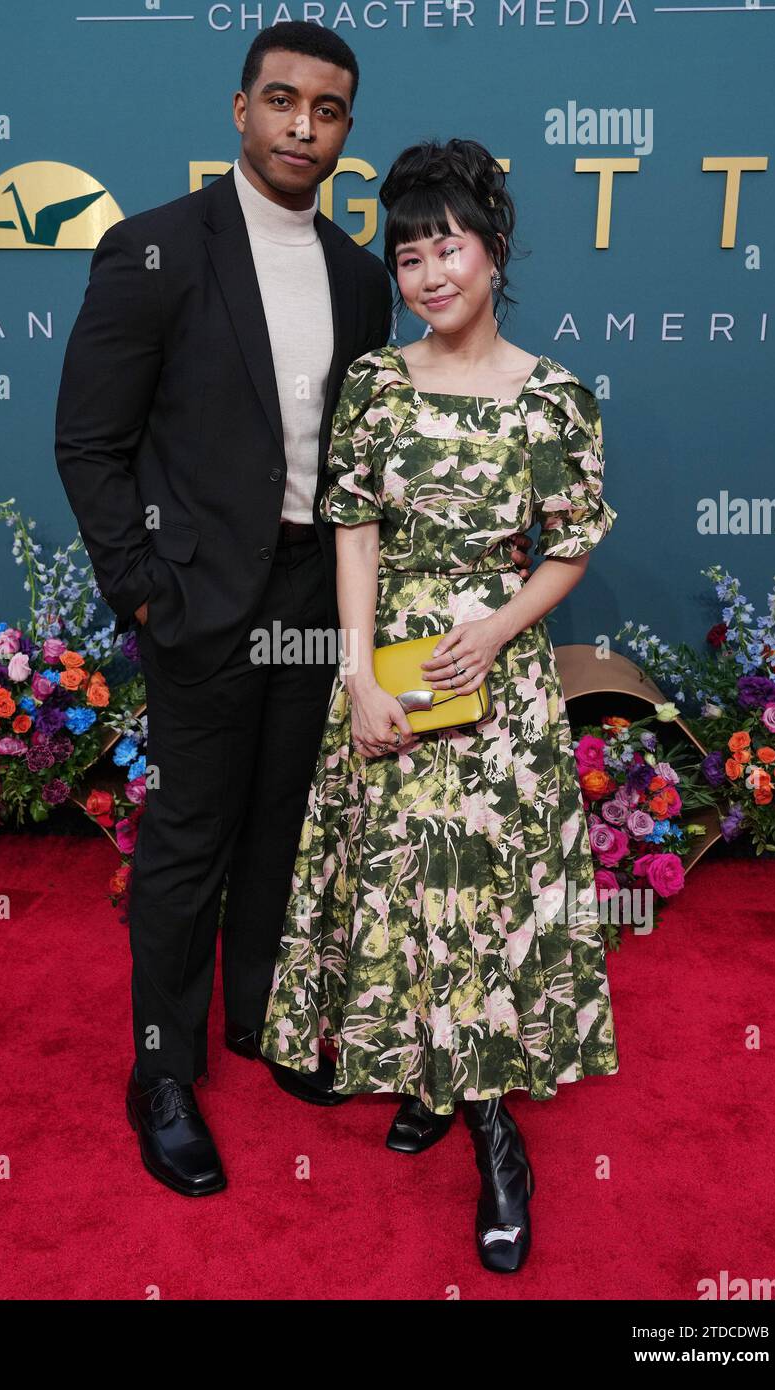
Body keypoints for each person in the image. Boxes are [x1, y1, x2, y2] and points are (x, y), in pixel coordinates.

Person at [55, 25, 533, 1200]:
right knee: (186, 841)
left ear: (344, 133)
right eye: (280, 102)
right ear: (239, 110)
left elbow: (366, 458)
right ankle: (160, 1074)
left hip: (320, 598)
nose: (300, 127)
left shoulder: (362, 275)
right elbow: (90, 442)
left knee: (282, 822)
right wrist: (142, 590)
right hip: (198, 599)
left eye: (325, 111)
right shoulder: (151, 250)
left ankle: (261, 1023)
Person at [259, 138, 620, 1272]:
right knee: (399, 886)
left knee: (483, 900)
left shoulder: (553, 396)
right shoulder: (373, 383)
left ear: (493, 252)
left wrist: (501, 625)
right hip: (390, 678)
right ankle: (427, 1074)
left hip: (495, 683)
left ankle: (495, 1136)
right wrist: (358, 672)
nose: (428, 273)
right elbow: (353, 533)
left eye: (447, 247)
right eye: (408, 254)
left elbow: (569, 548)